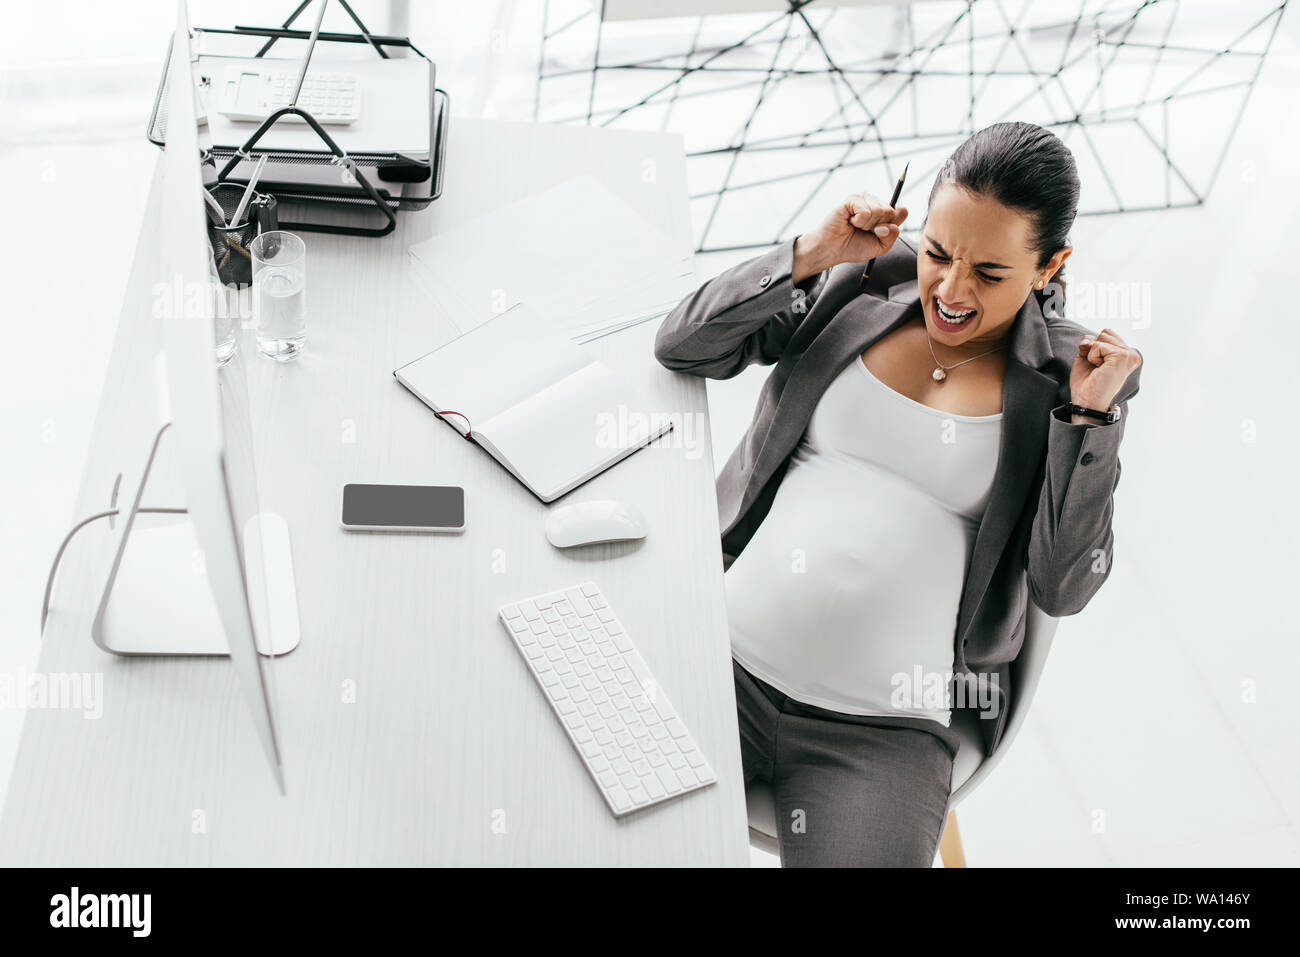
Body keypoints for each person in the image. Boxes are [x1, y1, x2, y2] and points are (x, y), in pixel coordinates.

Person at [654, 121, 1144, 867]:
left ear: (1050, 266)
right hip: (716, 658)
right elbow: (685, 343)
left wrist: (1090, 420)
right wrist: (809, 255)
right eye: (940, 252)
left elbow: (1063, 584)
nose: (950, 289)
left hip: (881, 735)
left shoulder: (1067, 380)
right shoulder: (864, 281)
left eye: (989, 272)